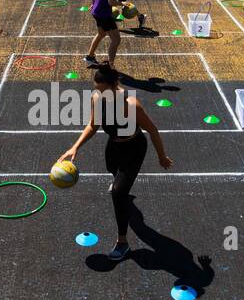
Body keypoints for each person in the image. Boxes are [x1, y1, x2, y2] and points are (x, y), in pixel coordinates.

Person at [59, 64, 173, 261]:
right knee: (112, 171)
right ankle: (122, 188)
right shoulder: (98, 99)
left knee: (119, 193)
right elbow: (93, 125)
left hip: (134, 148)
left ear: (114, 85)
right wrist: (75, 146)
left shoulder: (131, 105)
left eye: (103, 90)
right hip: (114, 146)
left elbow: (153, 130)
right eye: (97, 89)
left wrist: (161, 157)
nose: (99, 93)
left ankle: (122, 243)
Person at [84, 0, 123, 70]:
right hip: (104, 13)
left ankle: (90, 57)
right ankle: (110, 66)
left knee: (101, 33)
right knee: (116, 39)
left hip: (96, 11)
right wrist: (122, 3)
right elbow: (111, 2)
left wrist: (93, 4)